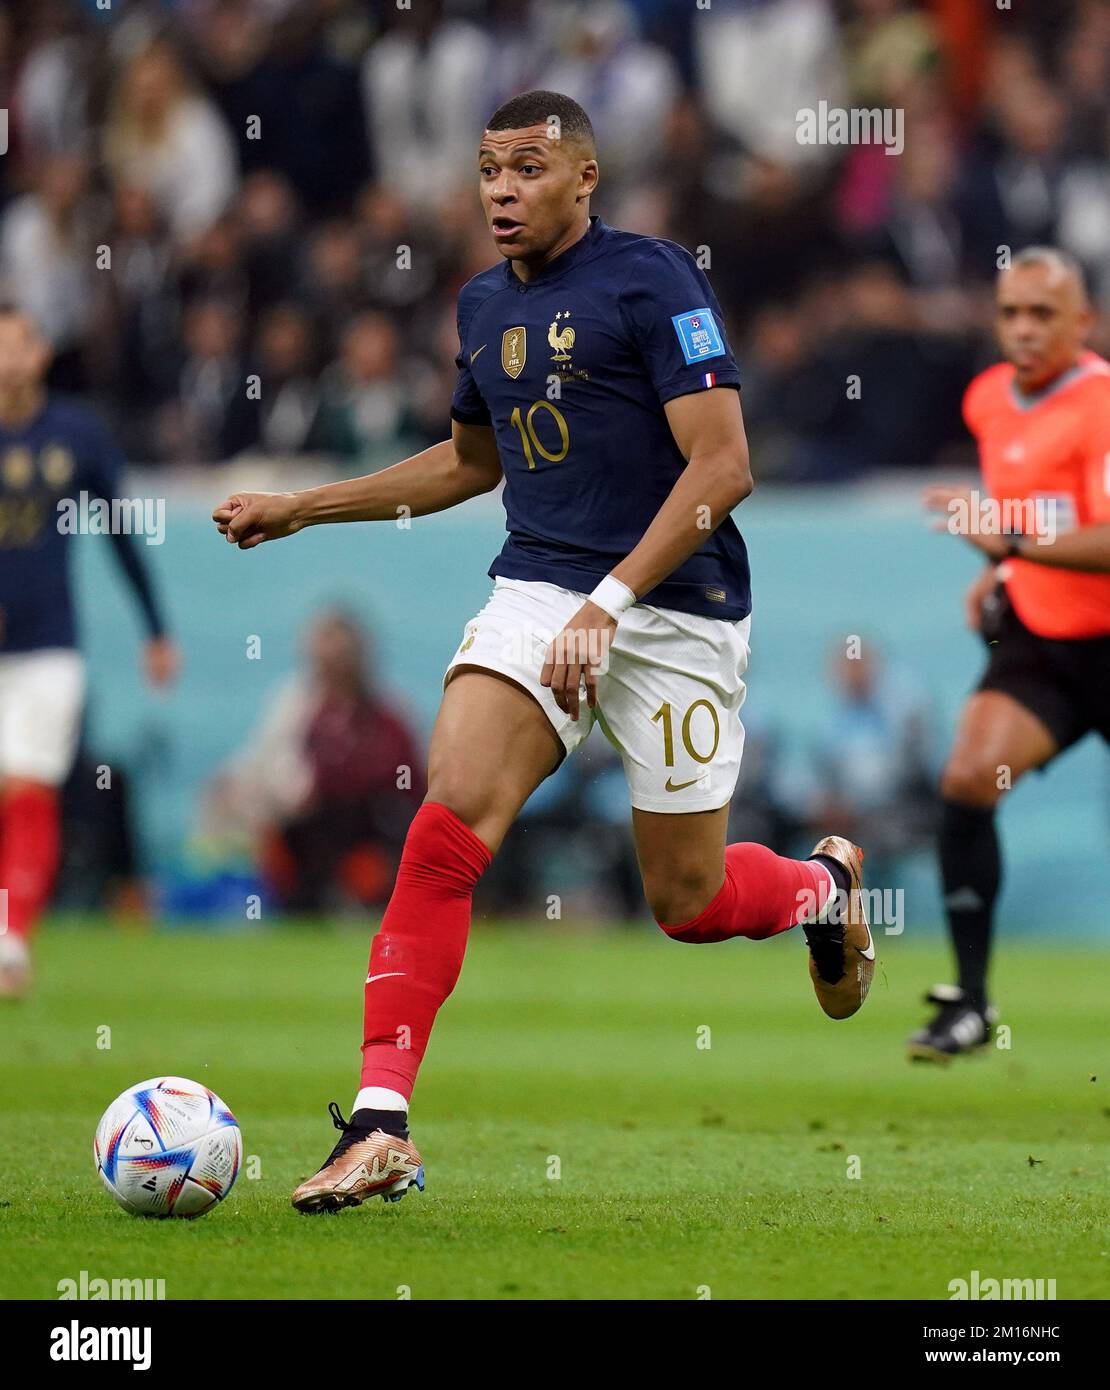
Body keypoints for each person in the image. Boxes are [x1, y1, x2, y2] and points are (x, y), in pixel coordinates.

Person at [213, 91, 875, 1213]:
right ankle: (381, 1121)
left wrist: (612, 602)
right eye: (487, 170)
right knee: (451, 812)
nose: (502, 191)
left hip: (676, 606)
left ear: (585, 177)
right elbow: (471, 463)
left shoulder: (654, 278)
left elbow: (722, 468)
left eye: (527, 168)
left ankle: (822, 886)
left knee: (689, 899)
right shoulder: (479, 304)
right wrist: (303, 504)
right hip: (539, 588)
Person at [910, 247, 1110, 1062]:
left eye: (1043, 314)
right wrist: (999, 567)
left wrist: (1009, 540)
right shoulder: (988, 400)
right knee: (965, 782)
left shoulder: (1100, 406)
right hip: (1046, 646)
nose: (1023, 330)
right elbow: (1037, 513)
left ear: (1083, 322)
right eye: (1010, 313)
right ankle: (971, 1004)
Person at [0, 307, 178, 998]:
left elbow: (122, 534)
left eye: (19, 342)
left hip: (50, 646)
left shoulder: (77, 434)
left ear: (41, 352)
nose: (10, 358)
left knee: (29, 787)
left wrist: (155, 629)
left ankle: (12, 940)